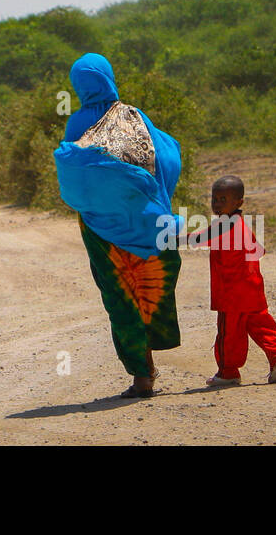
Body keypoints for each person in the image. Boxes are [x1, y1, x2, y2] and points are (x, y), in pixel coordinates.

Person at [54, 53, 184, 398]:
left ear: (79, 85)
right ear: (109, 78)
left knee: (120, 294)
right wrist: (151, 197)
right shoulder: (135, 116)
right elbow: (165, 154)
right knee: (147, 287)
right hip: (147, 222)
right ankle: (149, 361)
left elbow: (74, 175)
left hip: (100, 229)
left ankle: (143, 373)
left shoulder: (78, 122)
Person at [197, 175, 276, 386]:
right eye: (215, 199)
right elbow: (259, 251)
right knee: (262, 325)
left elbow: (197, 239)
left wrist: (169, 238)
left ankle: (228, 372)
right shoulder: (242, 225)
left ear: (238, 202)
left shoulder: (223, 225)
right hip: (252, 289)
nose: (217, 204)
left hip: (231, 294)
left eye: (223, 199)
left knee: (229, 334)